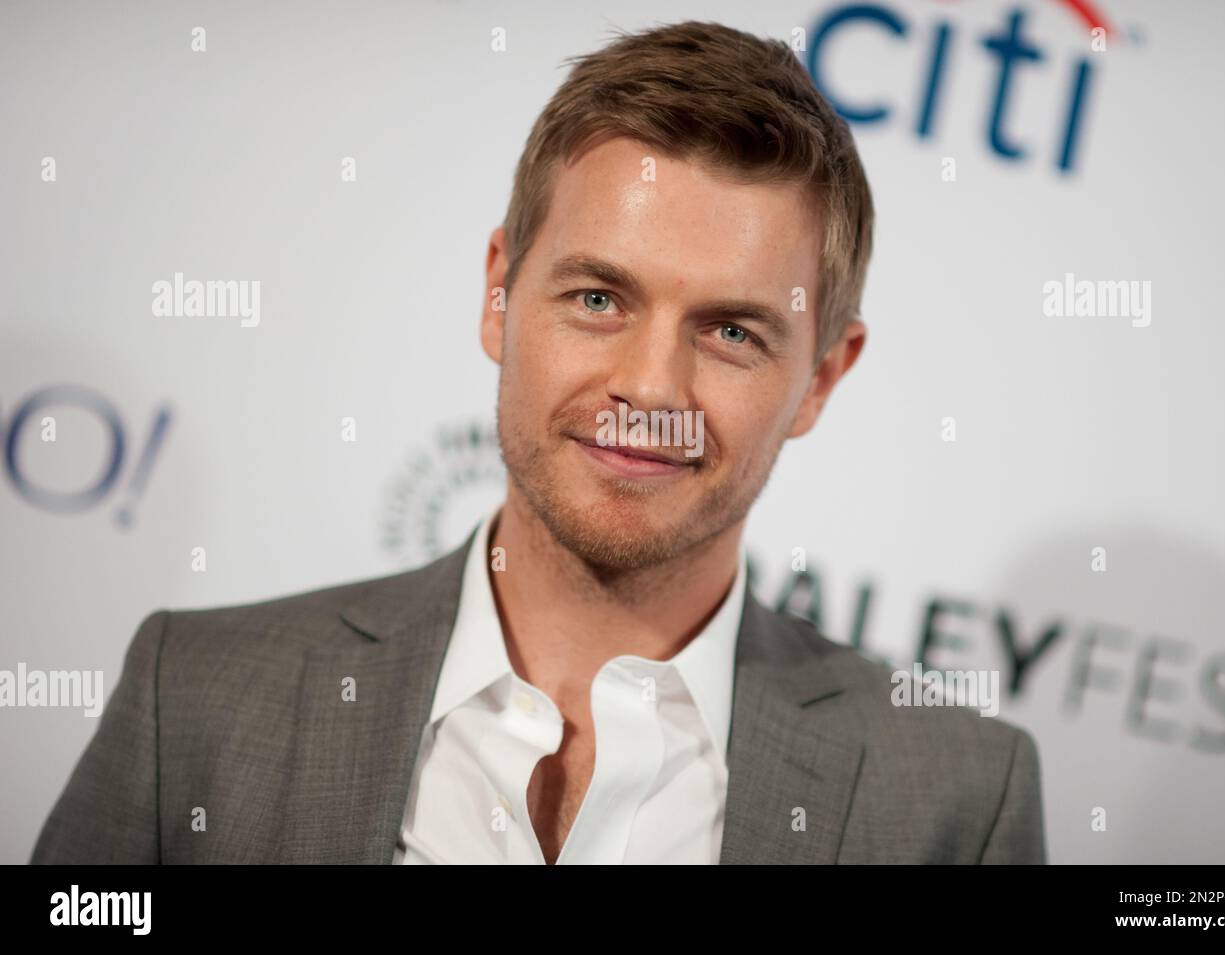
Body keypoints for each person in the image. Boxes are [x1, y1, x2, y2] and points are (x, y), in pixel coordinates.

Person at [31, 19, 1045, 865]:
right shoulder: (198, 698)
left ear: (821, 376)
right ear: (498, 294)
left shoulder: (954, 802)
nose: (650, 387)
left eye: (732, 331)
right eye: (598, 297)